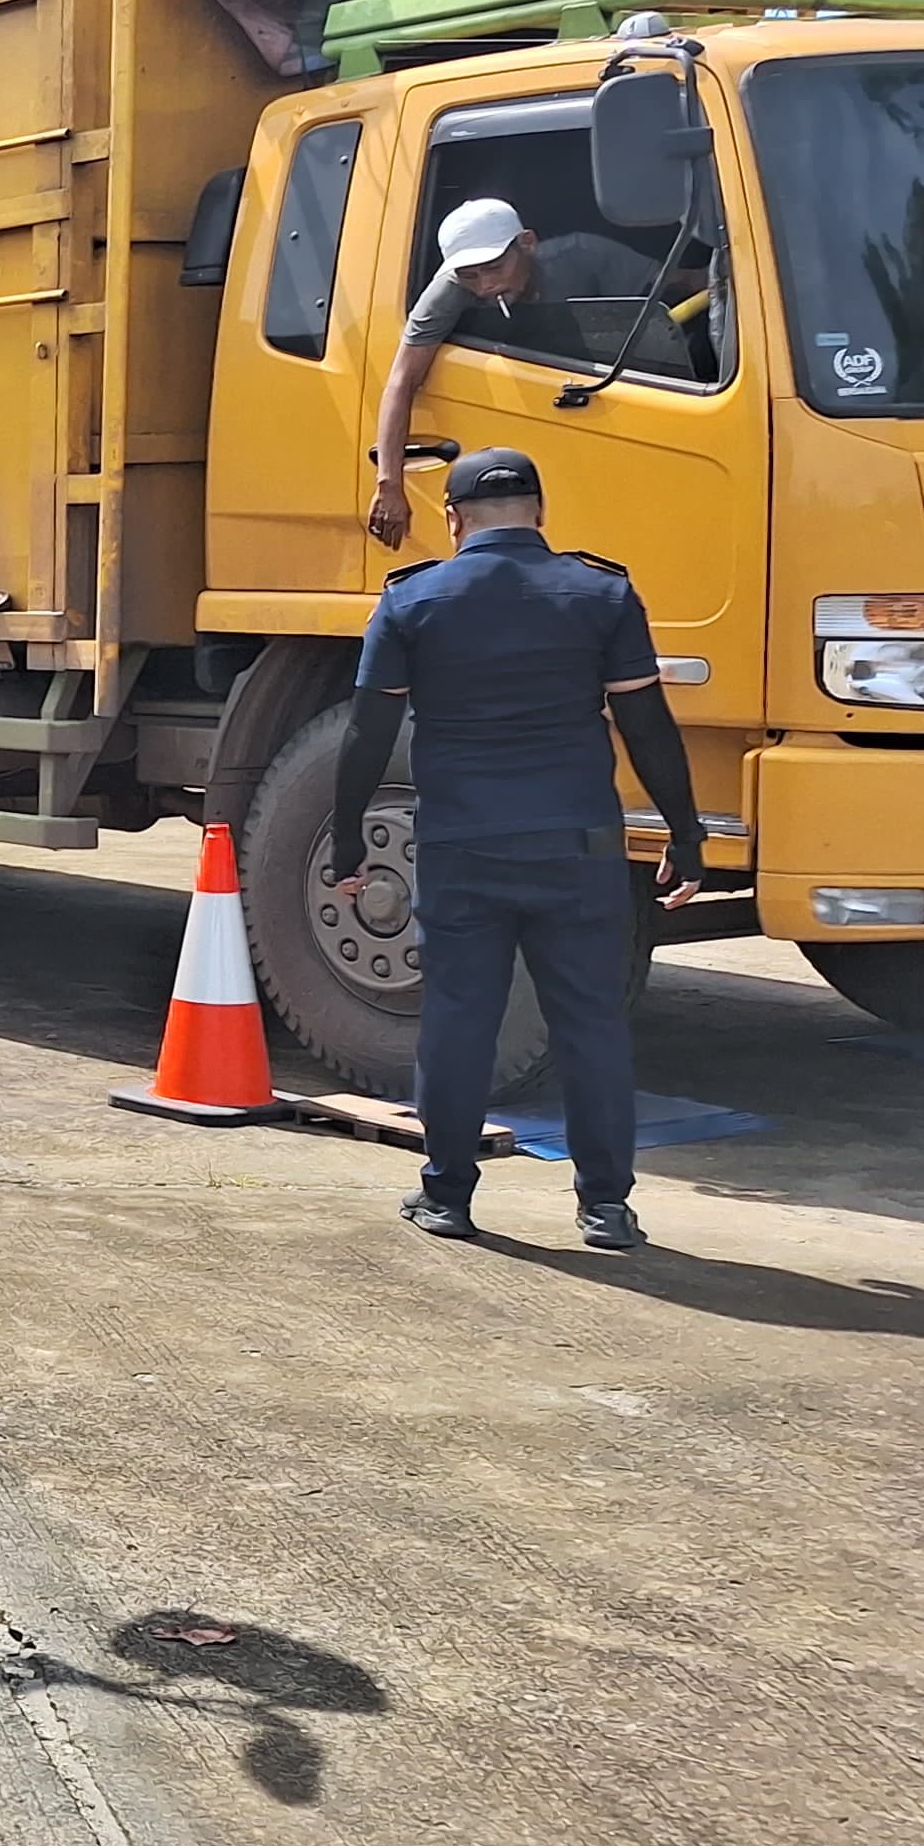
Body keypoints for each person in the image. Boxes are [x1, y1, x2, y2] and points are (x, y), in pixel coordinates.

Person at [330, 449, 707, 1249]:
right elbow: (647, 725)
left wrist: (349, 835)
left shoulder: (413, 600)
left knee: (460, 1020)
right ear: (540, 512)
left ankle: (447, 1197)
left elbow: (367, 731)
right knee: (591, 1024)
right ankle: (606, 1207)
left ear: (452, 518)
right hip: (577, 847)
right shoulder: (601, 593)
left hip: (463, 847)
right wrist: (685, 829)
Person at [368, 198, 704, 546]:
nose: (483, 286)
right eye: (469, 275)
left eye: (494, 268)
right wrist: (389, 484)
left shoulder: (582, 254)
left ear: (528, 243)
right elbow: (401, 381)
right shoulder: (448, 293)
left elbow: (682, 284)